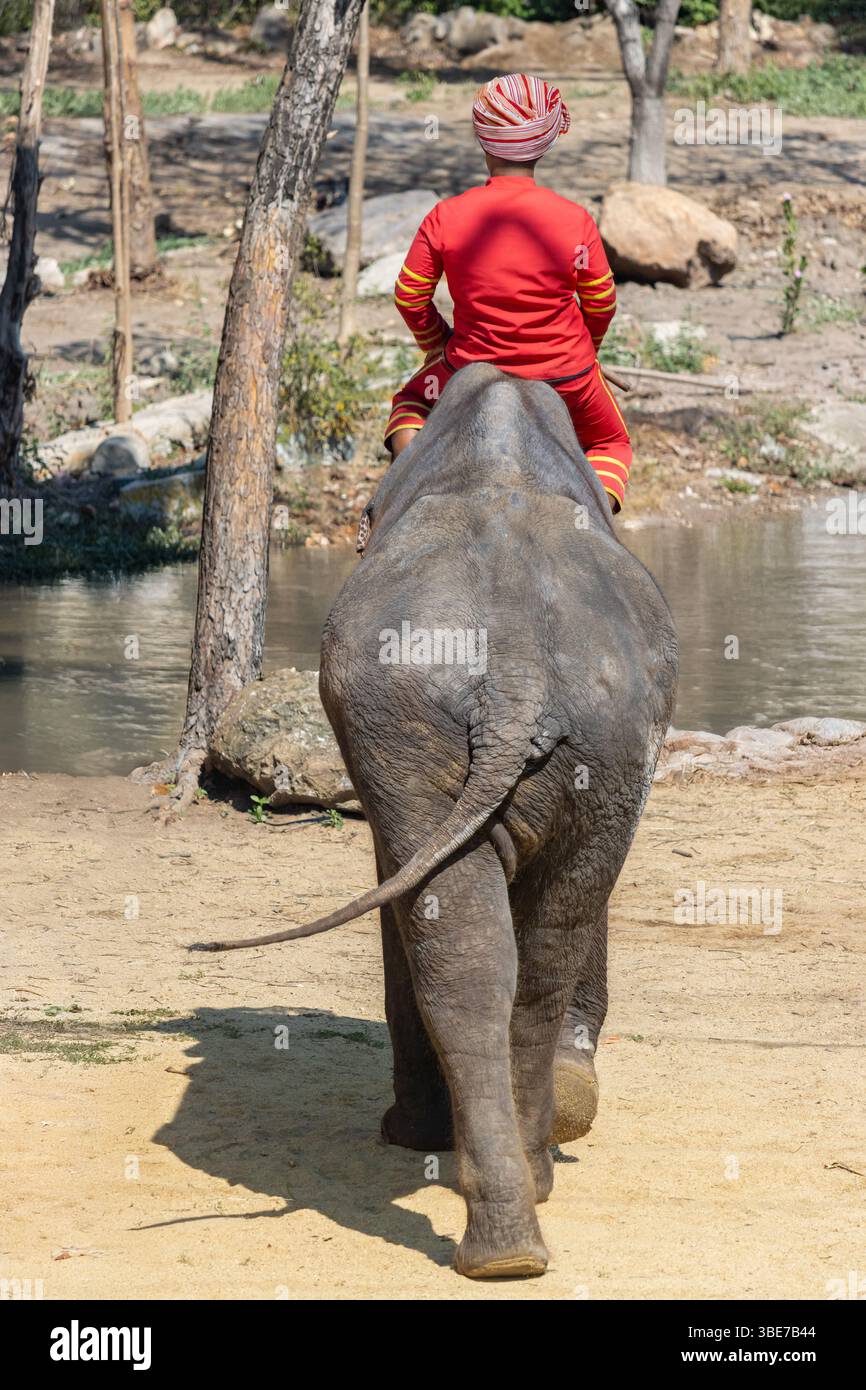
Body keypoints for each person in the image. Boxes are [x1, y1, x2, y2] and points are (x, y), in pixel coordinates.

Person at [385, 72, 631, 511]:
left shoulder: (446, 215)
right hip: (568, 380)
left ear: (483, 141)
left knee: (409, 404)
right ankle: (595, 518)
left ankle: (407, 489)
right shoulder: (575, 219)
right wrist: (586, 350)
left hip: (467, 374)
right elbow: (601, 303)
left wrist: (437, 344)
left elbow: (409, 297)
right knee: (612, 443)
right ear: (546, 143)